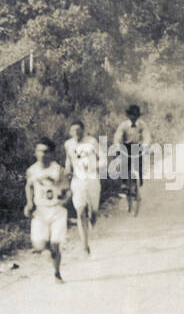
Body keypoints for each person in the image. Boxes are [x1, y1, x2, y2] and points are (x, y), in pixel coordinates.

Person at [25, 137, 69, 282]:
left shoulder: (58, 169)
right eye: (39, 151)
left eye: (46, 151)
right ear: (35, 153)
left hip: (56, 210)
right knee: (39, 245)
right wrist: (29, 203)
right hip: (40, 210)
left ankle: (57, 273)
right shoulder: (32, 170)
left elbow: (67, 189)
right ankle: (50, 249)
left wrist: (65, 200)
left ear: (51, 153)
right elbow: (29, 186)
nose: (42, 154)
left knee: (56, 243)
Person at [63, 119, 104, 256]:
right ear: (70, 132)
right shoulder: (68, 144)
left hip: (92, 179)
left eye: (78, 130)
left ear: (83, 130)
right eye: (73, 131)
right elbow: (69, 160)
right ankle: (85, 246)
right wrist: (67, 171)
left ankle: (93, 216)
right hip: (77, 181)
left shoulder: (91, 142)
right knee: (80, 212)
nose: (76, 133)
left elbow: (103, 159)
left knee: (94, 211)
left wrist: (94, 166)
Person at [112, 104, 151, 214]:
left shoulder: (142, 125)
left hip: (137, 146)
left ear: (138, 116)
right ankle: (124, 184)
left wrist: (145, 146)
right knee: (124, 162)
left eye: (135, 115)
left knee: (139, 162)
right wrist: (118, 147)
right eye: (131, 115)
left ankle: (139, 181)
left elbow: (147, 136)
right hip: (125, 146)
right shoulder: (123, 125)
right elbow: (117, 137)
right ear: (128, 115)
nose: (133, 117)